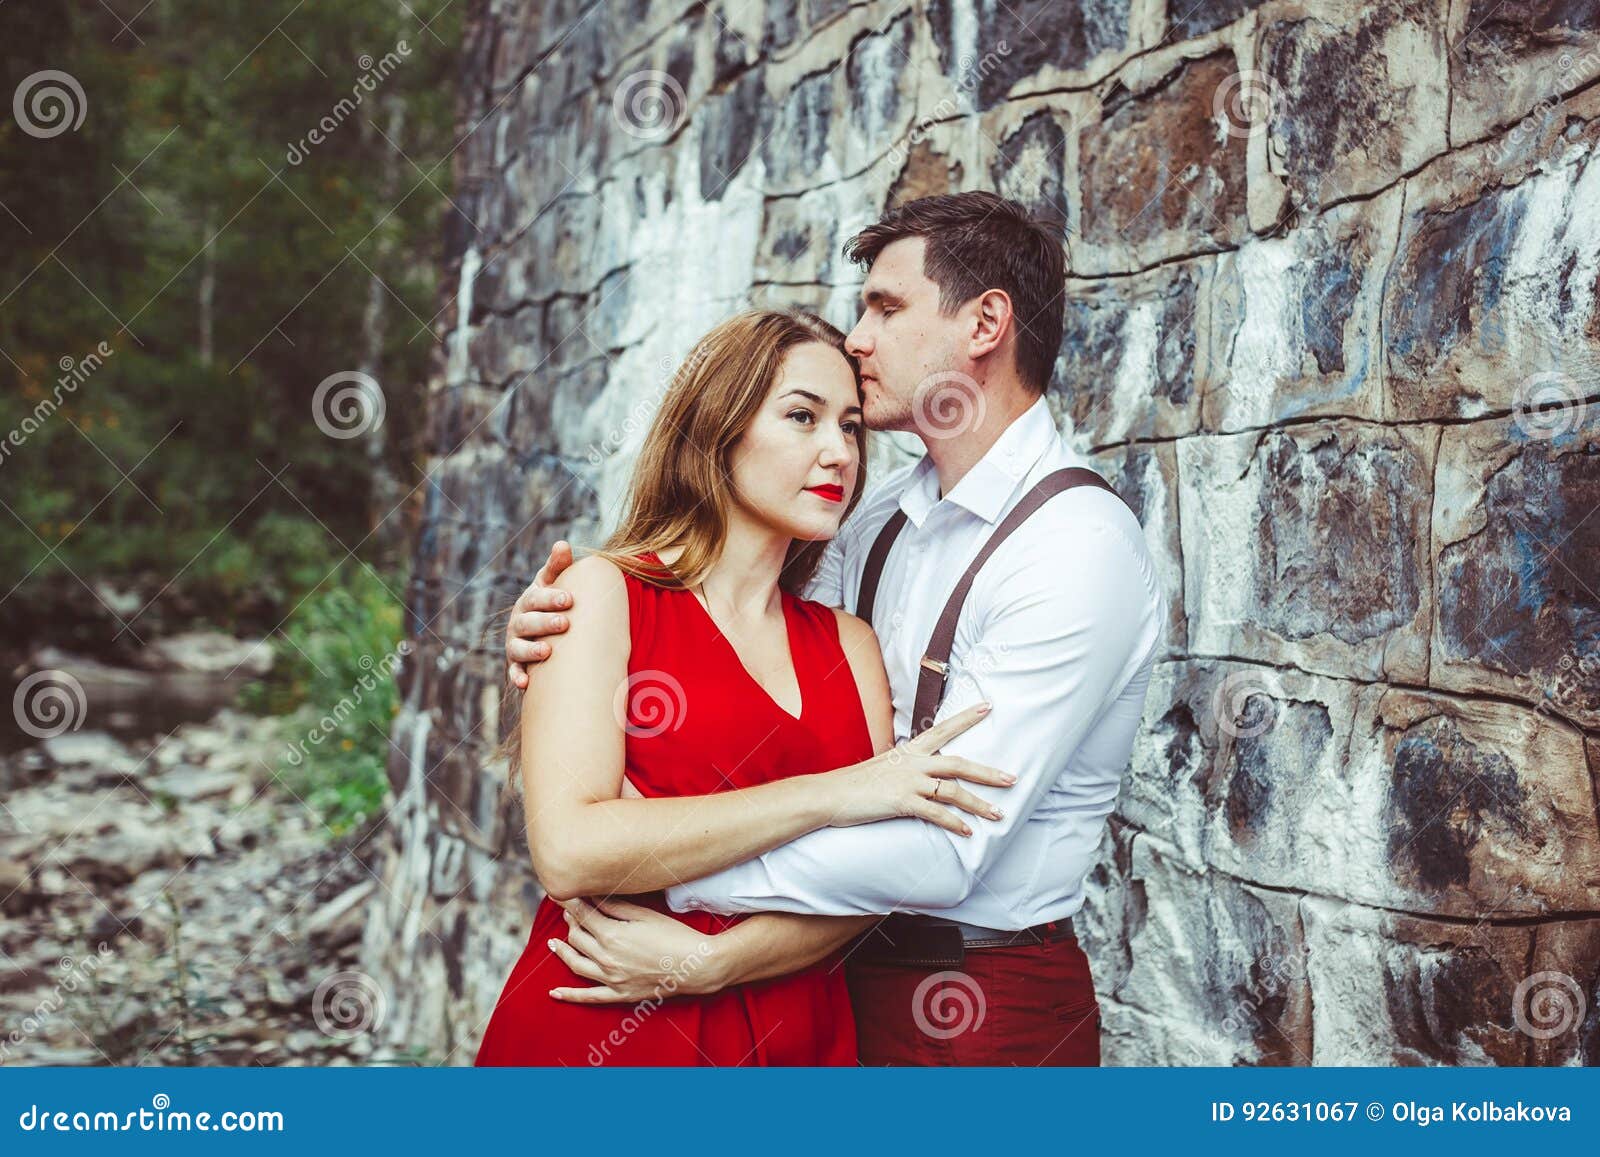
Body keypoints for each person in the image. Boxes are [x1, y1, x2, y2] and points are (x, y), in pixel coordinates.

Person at [504, 192, 1167, 1066]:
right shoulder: (871, 524)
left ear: (986, 323)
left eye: (885, 307)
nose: (859, 338)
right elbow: (723, 629)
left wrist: (666, 880)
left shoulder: (1074, 546)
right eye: (806, 418)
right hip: (822, 989)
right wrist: (558, 633)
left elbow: (941, 847)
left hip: (974, 998)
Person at [474, 308, 1013, 1066]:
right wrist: (836, 795)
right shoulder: (604, 595)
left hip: (797, 1035)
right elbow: (569, 850)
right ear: (716, 430)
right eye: (802, 416)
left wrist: (715, 961)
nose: (838, 452)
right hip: (611, 1032)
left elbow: (876, 885)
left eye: (852, 427)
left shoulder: (849, 647)